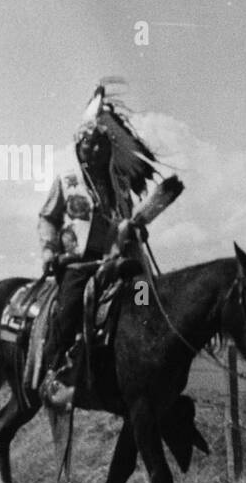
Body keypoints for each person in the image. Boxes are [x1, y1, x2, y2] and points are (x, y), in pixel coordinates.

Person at [37, 83, 159, 408]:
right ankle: (52, 373)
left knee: (145, 301)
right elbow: (48, 218)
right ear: (79, 148)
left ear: (109, 148)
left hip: (114, 262)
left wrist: (133, 233)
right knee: (70, 307)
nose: (93, 150)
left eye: (100, 145)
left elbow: (125, 221)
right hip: (78, 264)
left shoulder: (120, 184)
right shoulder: (67, 182)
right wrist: (49, 250)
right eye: (87, 145)